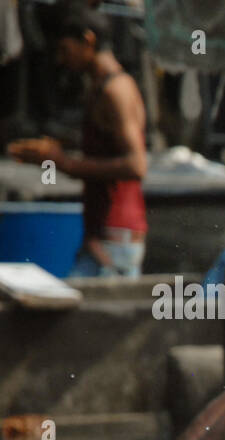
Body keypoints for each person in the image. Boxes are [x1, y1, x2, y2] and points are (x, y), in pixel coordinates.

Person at [6, 2, 148, 277]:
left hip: (116, 240)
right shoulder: (97, 88)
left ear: (88, 40)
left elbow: (136, 165)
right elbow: (106, 146)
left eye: (65, 49)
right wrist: (56, 147)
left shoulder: (116, 91)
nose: (61, 59)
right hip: (99, 239)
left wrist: (63, 163)